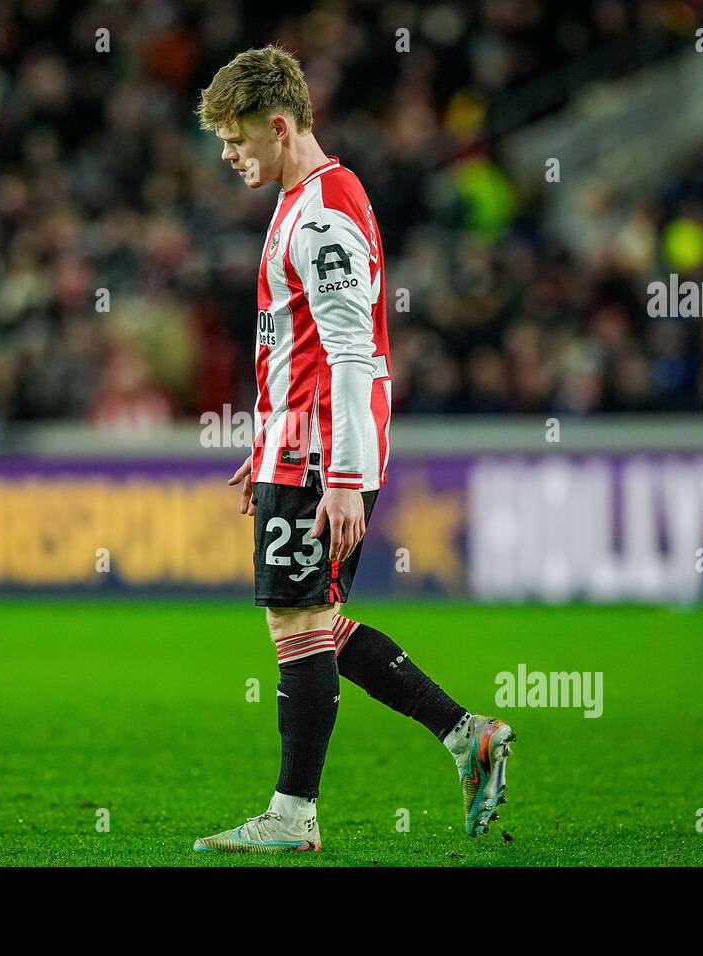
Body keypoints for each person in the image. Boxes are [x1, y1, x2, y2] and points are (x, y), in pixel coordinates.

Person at [192, 44, 515, 854]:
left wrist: (336, 477)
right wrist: (267, 439)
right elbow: (297, 346)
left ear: (278, 124)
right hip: (296, 446)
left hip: (319, 458)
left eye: (236, 141)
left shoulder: (323, 214)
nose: (229, 157)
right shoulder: (305, 196)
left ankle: (294, 817)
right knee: (313, 620)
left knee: (297, 623)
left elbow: (350, 355)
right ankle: (465, 735)